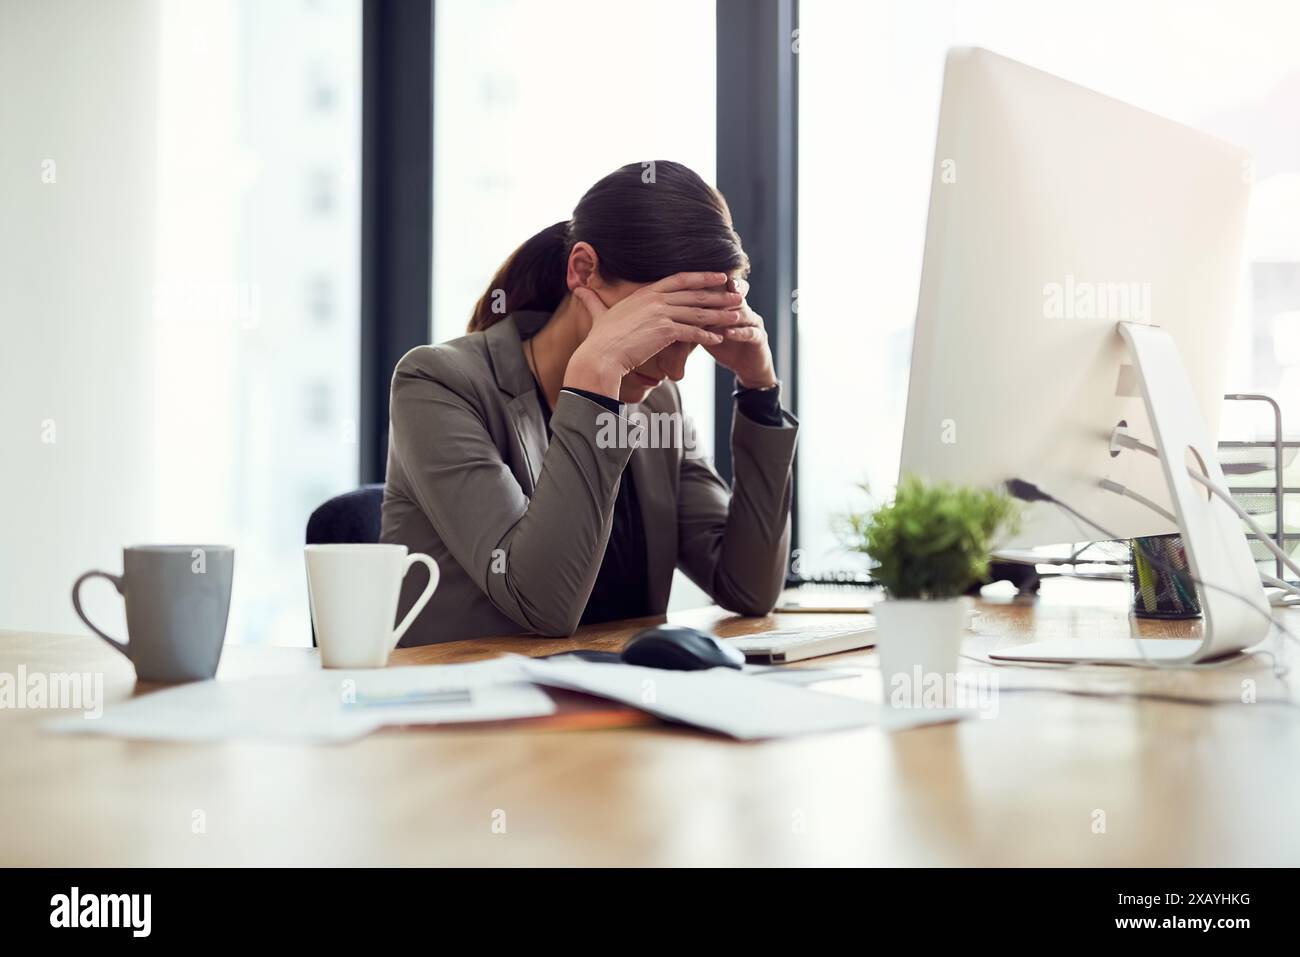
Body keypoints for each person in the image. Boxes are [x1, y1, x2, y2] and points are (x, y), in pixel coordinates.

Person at [380, 161, 798, 644]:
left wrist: (758, 389)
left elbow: (748, 588)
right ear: (583, 270)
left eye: (694, 334)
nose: (676, 370)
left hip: (619, 702)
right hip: (479, 708)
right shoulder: (437, 384)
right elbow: (542, 604)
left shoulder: (657, 403)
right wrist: (594, 380)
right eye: (660, 326)